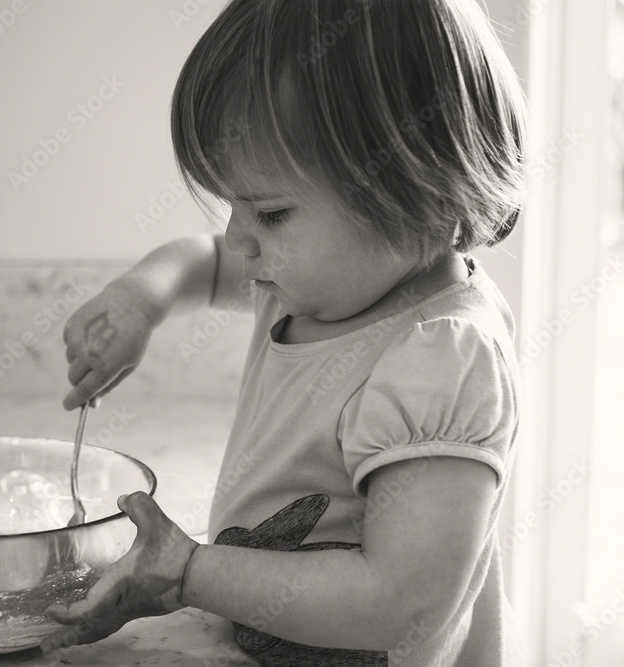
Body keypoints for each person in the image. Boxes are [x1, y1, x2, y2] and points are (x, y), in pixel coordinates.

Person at [42, 0, 527, 664]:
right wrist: (139, 301)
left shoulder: (439, 357)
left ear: (421, 198)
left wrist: (189, 571)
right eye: (231, 204)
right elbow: (204, 261)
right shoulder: (318, 279)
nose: (238, 238)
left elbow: (403, 602)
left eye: (268, 212)